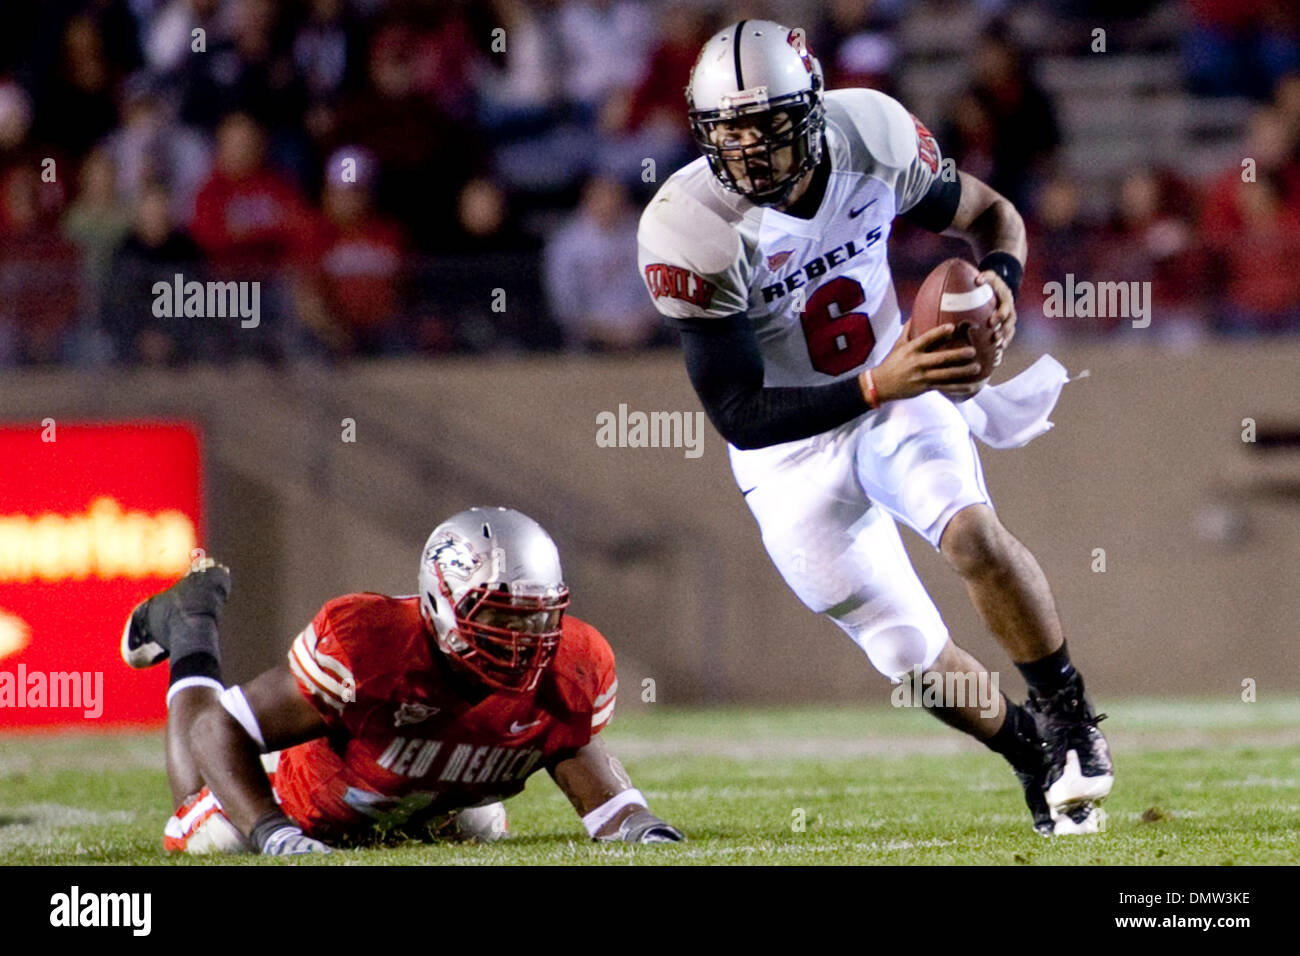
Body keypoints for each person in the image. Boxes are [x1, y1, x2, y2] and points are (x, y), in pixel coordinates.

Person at [636, 20, 1111, 836]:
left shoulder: (875, 136)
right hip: (788, 449)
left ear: (814, 111)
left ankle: (1069, 717)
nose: (749, 152)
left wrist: (1000, 284)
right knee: (908, 658)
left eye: (768, 127)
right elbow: (738, 415)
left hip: (897, 388)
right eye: (730, 133)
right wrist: (870, 383)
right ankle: (1034, 758)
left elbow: (995, 216)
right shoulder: (691, 227)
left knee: (971, 536)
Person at [121, 507, 683, 854]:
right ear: (442, 602)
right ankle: (191, 624)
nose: (525, 637)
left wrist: (637, 822)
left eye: (538, 616)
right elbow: (221, 728)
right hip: (316, 794)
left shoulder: (572, 664)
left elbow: (575, 752)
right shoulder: (370, 644)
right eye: (502, 616)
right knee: (207, 832)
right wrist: (273, 832)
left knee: (480, 829)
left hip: (425, 799)